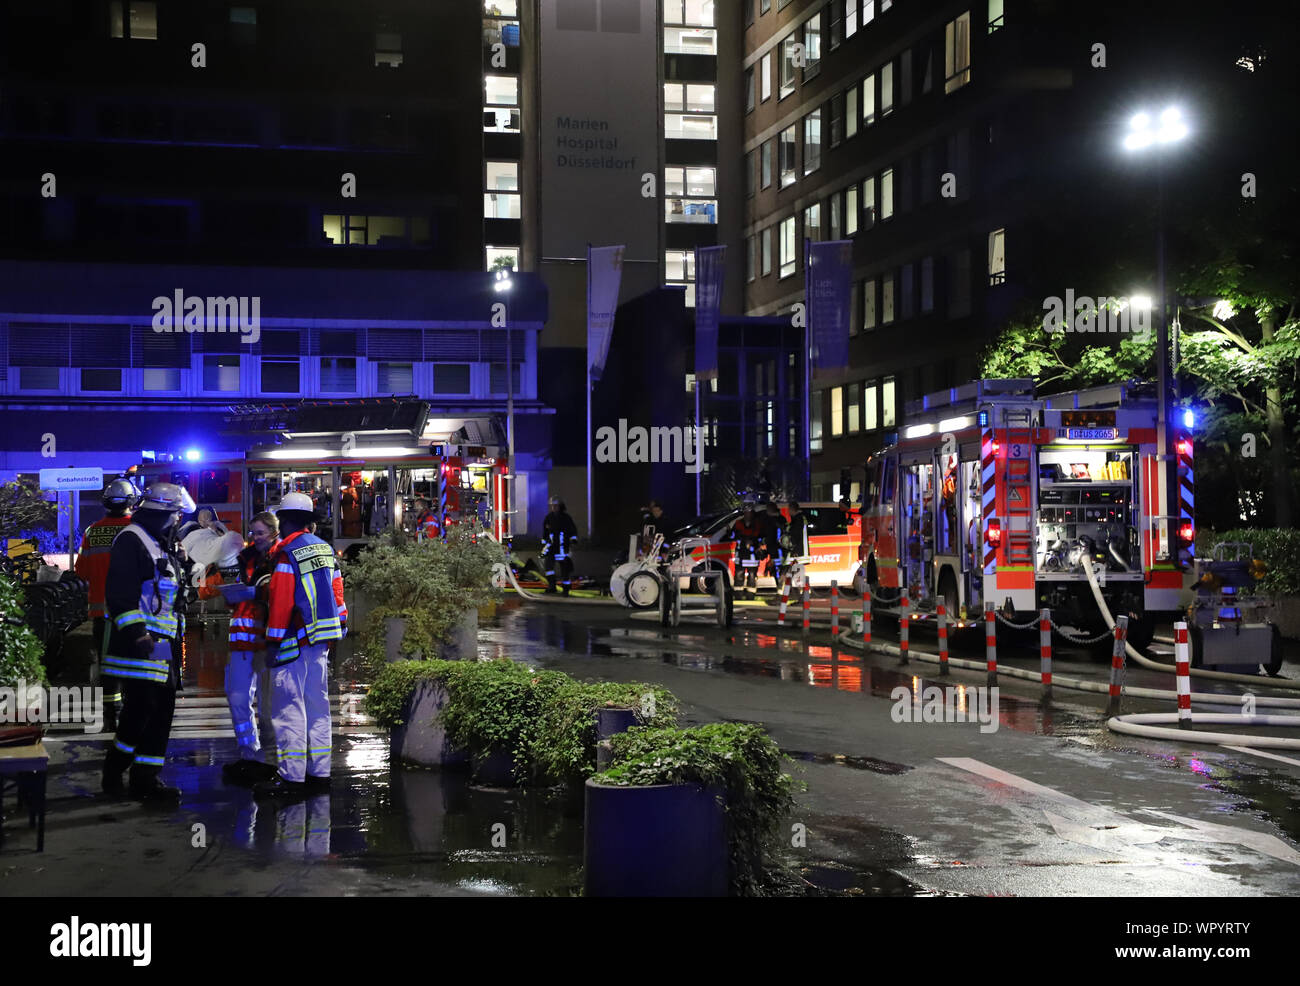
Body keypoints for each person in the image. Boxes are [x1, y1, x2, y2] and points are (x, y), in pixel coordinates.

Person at [100, 482, 194, 803]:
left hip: (162, 646)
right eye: (176, 514)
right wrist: (138, 634)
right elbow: (119, 595)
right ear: (163, 514)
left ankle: (140, 779)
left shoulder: (159, 543)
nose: (180, 519)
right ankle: (120, 773)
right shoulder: (132, 540)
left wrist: (183, 562)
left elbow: (173, 592)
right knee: (142, 713)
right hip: (142, 646)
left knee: (157, 712)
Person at [255, 492, 347, 800]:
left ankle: (292, 778)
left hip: (293, 641)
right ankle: (319, 774)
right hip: (320, 641)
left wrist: (272, 642)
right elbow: (337, 593)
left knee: (289, 709)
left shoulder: (287, 553)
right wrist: (339, 627)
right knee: (318, 706)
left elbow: (281, 603)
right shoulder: (324, 549)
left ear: (285, 519)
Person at [220, 512, 281, 786]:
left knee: (269, 708)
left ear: (273, 531)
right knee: (237, 699)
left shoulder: (280, 557)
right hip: (241, 640)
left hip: (267, 641)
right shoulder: (245, 559)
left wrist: (256, 593)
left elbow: (280, 595)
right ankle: (249, 754)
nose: (254, 538)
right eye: (252, 533)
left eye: (260, 533)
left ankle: (271, 760)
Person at [76, 479, 138, 732]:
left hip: (102, 613)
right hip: (133, 614)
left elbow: (82, 570)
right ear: (131, 502)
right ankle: (134, 713)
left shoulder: (92, 531)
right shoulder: (136, 529)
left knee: (107, 665)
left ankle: (111, 716)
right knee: (135, 664)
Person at [541, 496, 579, 595]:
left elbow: (572, 529)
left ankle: (566, 589)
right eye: (552, 506)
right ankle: (552, 586)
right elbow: (545, 532)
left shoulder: (566, 518)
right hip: (552, 547)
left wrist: (573, 539)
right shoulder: (549, 518)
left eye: (556, 506)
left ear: (560, 506)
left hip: (563, 547)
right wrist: (544, 542)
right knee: (548, 567)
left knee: (565, 570)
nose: (554, 508)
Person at [729, 503, 764, 593]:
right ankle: (738, 593)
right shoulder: (738, 523)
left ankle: (750, 594)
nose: (748, 514)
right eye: (746, 512)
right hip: (741, 554)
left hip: (752, 555)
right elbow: (733, 535)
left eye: (749, 512)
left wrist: (755, 543)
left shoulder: (757, 524)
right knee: (738, 575)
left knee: (752, 576)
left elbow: (760, 536)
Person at [761, 502, 785, 589]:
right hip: (776, 549)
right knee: (777, 569)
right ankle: (781, 589)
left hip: (777, 550)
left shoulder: (772, 521)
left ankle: (780, 590)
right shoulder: (781, 519)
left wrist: (765, 544)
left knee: (778, 570)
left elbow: (771, 536)